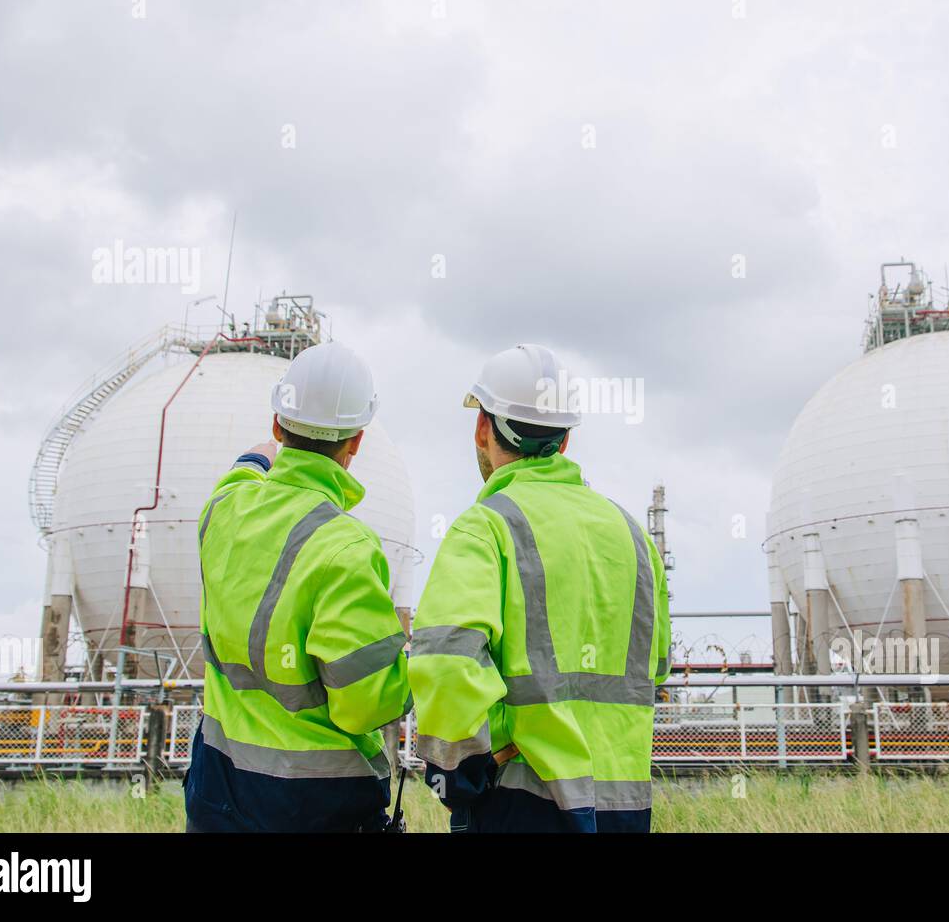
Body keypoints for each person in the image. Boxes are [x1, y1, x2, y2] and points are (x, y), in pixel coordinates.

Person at [409, 344, 671, 832]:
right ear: (565, 440)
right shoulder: (634, 536)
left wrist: (464, 775)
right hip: (624, 808)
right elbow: (653, 669)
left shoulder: (484, 529)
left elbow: (446, 662)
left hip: (519, 805)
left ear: (483, 429)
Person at [184, 341, 411, 832]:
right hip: (314, 802)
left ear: (275, 424)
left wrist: (264, 457)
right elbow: (366, 703)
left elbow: (245, 469)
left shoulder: (223, 510)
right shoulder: (346, 547)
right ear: (356, 442)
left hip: (216, 786)